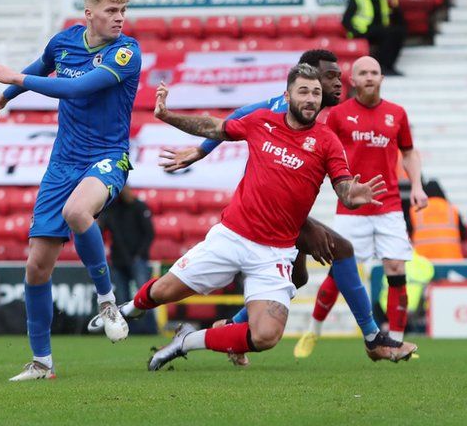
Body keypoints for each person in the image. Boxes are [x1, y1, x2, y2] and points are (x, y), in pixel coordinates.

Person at [112, 66, 416, 371]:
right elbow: (215, 127)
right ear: (287, 95)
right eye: (303, 92)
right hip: (231, 236)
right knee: (164, 291)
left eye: (316, 93)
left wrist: (353, 193)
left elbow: (344, 187)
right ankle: (126, 309)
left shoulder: (327, 141)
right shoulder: (261, 121)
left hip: (274, 253)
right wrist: (168, 116)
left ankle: (186, 341)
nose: (311, 99)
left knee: (267, 335)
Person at [152, 49, 354, 366]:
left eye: (324, 86)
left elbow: (343, 185)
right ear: (291, 90)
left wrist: (353, 192)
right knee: (317, 264)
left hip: (285, 224)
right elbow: (224, 125)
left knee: (300, 279)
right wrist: (199, 150)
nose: (335, 85)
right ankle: (372, 335)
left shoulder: (326, 133)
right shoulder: (268, 113)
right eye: (328, 77)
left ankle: (215, 333)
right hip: (254, 220)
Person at [0, 0, 137, 381]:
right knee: (36, 267)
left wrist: (15, 79)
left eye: (123, 11)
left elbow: (76, 87)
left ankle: (106, 301)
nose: (119, 18)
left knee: (77, 210)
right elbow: (40, 68)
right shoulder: (64, 42)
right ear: (89, 14)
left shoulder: (126, 52)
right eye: (111, 11)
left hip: (107, 157)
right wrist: (2, 99)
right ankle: (42, 363)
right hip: (62, 163)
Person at [294, 56, 428, 359]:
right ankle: (313, 331)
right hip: (351, 208)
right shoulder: (339, 115)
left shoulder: (397, 114)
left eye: (374, 72)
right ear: (352, 80)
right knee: (340, 274)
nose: (369, 77)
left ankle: (395, 341)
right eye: (363, 73)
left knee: (396, 268)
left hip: (389, 204)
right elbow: (322, 151)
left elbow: (409, 153)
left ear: (382, 78)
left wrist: (417, 186)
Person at [98, 184, 155, 333]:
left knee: (145, 296)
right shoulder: (112, 209)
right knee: (123, 297)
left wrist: (140, 255)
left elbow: (149, 233)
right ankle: (129, 329)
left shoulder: (139, 207)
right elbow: (100, 228)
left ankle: (150, 329)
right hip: (118, 260)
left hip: (138, 260)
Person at [342, 0, 404, 76]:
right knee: (388, 34)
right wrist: (354, 31)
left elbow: (386, 17)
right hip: (361, 31)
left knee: (398, 32)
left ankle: (389, 66)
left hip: (378, 31)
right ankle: (383, 66)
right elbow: (346, 20)